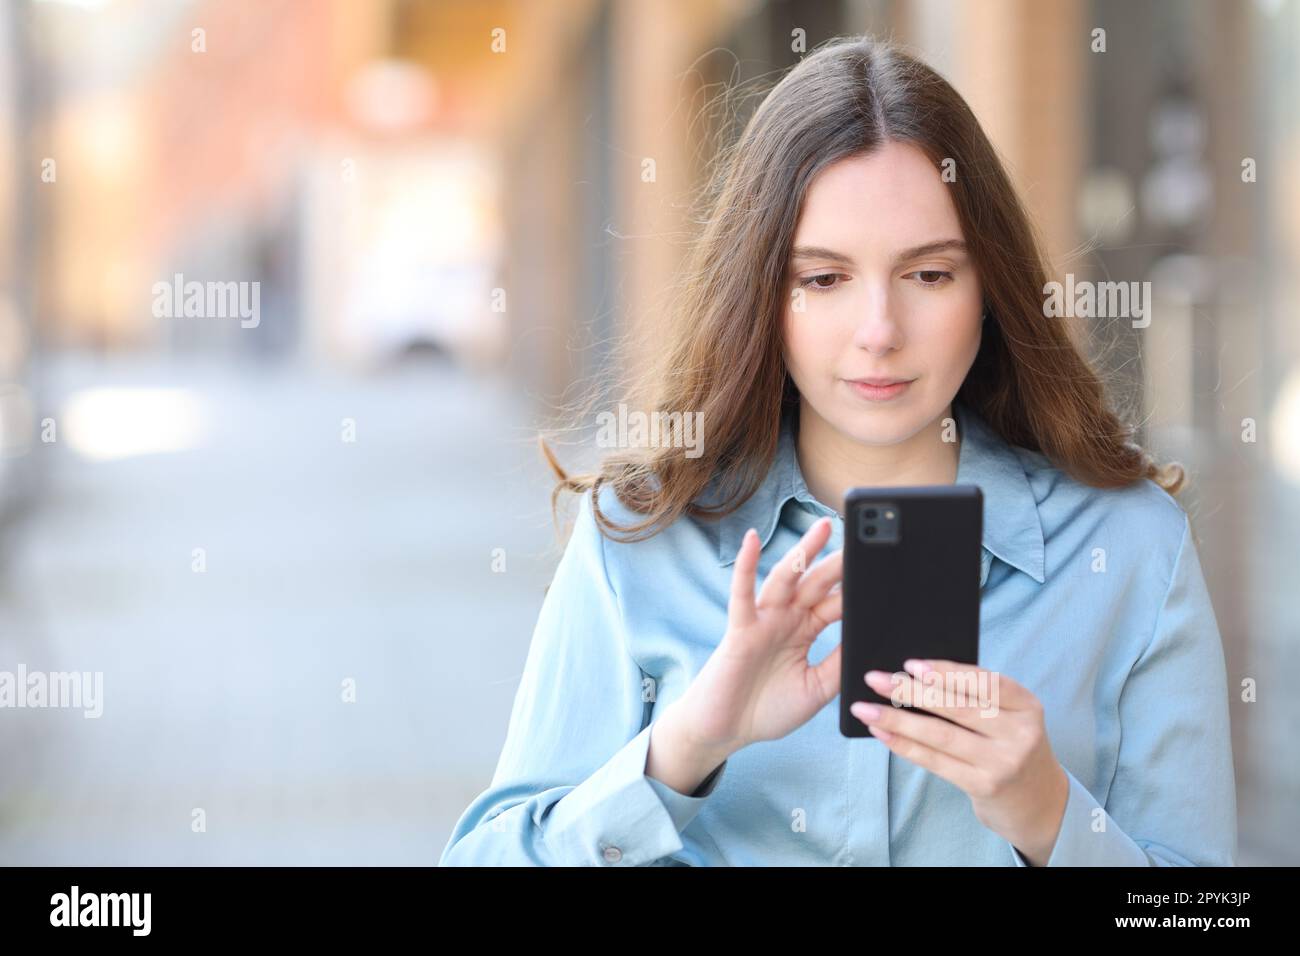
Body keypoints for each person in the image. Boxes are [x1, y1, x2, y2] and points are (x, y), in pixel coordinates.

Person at [438, 34, 1236, 866]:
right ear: (763, 296)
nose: (879, 333)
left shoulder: (1129, 552)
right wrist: (682, 750)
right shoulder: (639, 540)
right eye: (823, 279)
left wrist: (1050, 816)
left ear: (991, 288)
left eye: (929, 275)